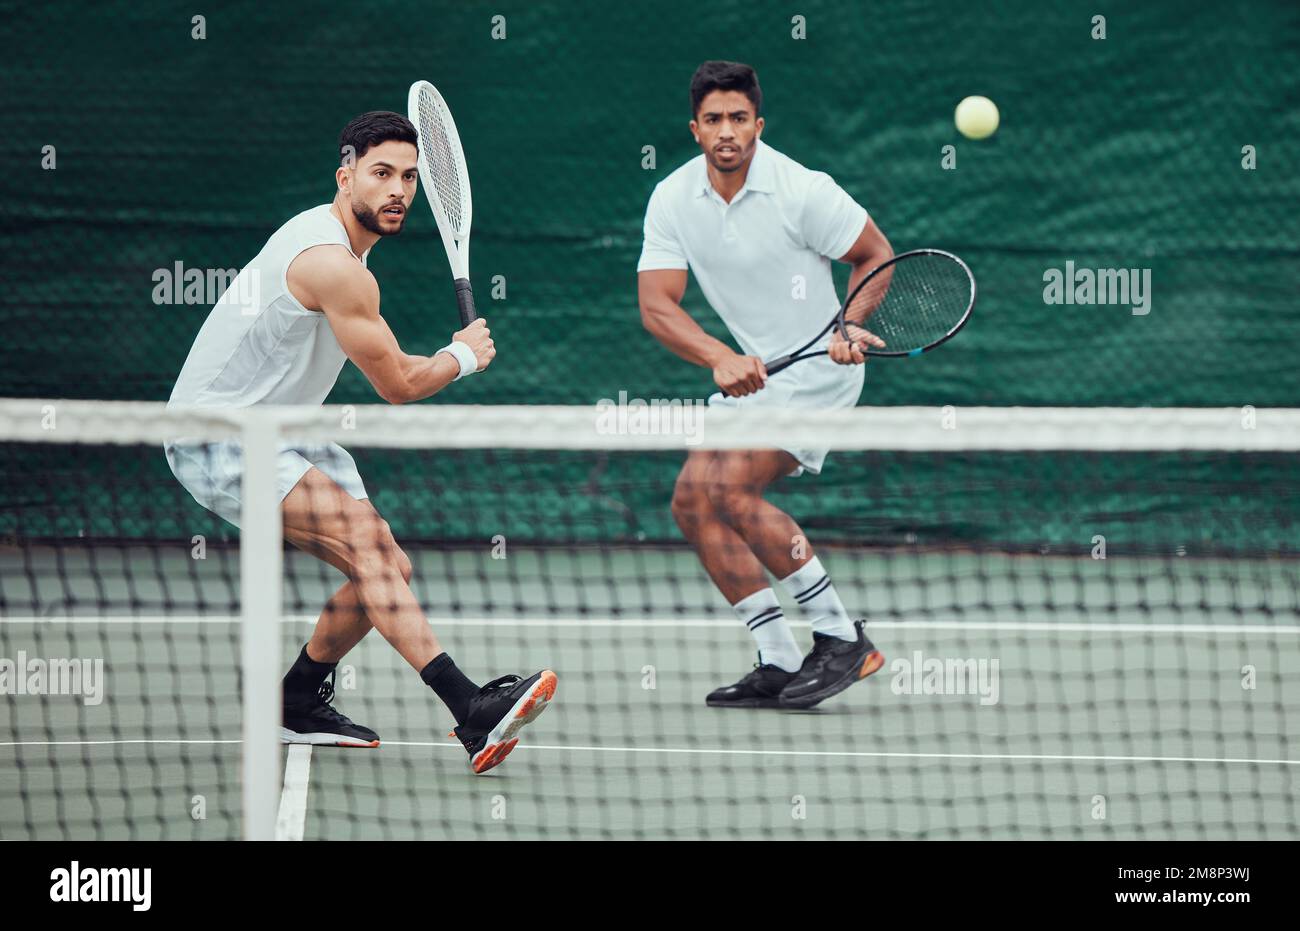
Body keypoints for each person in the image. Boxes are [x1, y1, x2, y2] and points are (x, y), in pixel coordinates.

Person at [165, 111, 554, 774]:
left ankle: (294, 698)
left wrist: (455, 356)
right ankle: (471, 709)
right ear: (345, 178)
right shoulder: (332, 265)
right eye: (380, 173)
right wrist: (461, 357)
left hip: (285, 431)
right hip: (220, 434)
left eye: (408, 176)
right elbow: (399, 382)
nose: (397, 189)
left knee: (385, 571)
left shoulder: (350, 261)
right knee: (371, 550)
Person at [637, 61, 891, 709]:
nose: (728, 131)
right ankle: (777, 657)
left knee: (730, 486)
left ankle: (839, 635)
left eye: (740, 118)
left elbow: (876, 254)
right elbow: (657, 304)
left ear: (759, 124)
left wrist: (850, 323)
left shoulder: (803, 190)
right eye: (715, 119)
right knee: (692, 501)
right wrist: (720, 356)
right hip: (753, 377)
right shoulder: (671, 197)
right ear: (695, 129)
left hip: (818, 374)